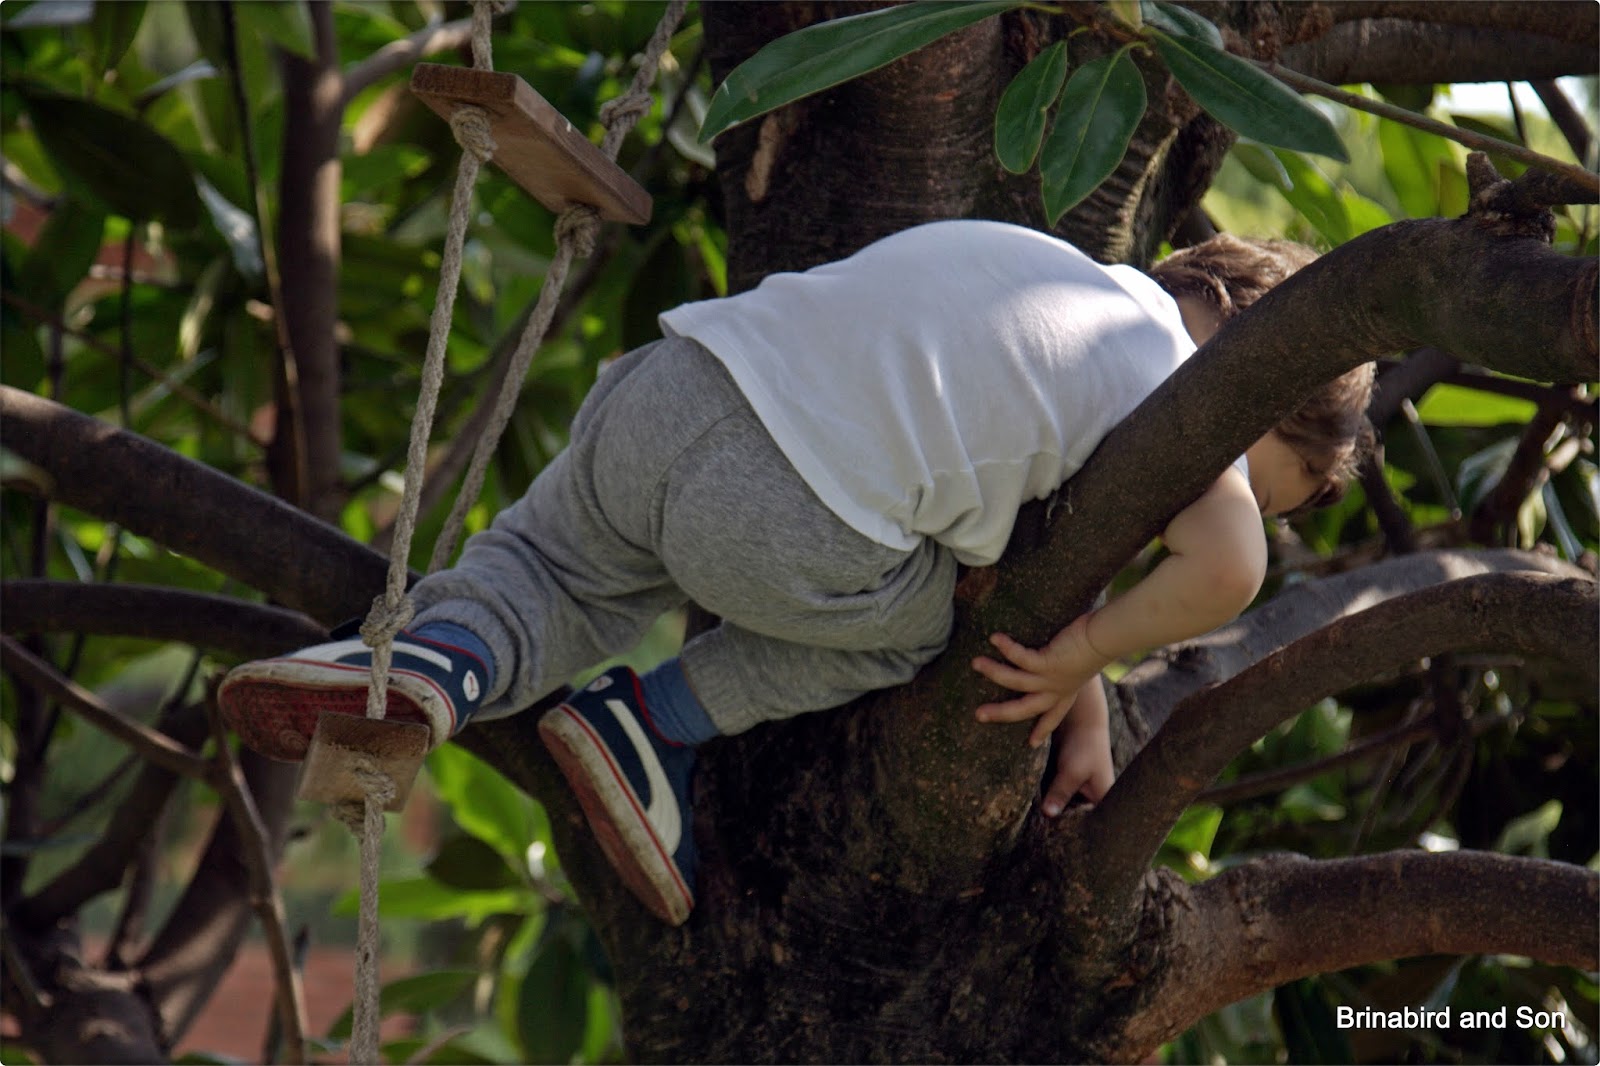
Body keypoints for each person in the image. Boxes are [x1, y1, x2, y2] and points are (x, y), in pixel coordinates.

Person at [219, 221, 1374, 925]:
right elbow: (1228, 568)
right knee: (917, 630)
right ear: (1264, 388)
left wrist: (1084, 700)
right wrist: (1076, 659)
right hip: (793, 516)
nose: (1217, 493)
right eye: (1257, 474)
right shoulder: (1188, 406)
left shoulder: (1049, 278)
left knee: (549, 569)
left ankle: (431, 659)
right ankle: (651, 724)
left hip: (671, 387)